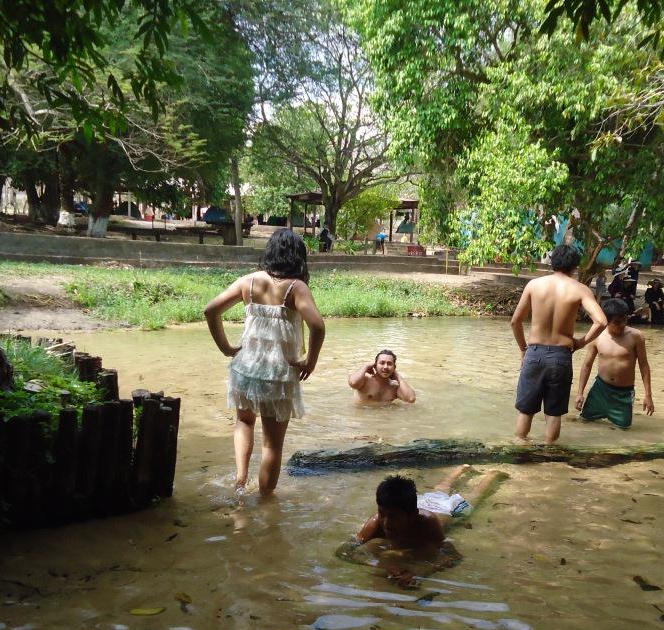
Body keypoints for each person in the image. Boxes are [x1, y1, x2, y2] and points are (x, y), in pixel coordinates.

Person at [204, 228, 326, 495]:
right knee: (272, 445)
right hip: (278, 374)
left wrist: (226, 348)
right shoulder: (296, 287)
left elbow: (211, 310)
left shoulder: (248, 281)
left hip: (245, 368)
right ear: (298, 258)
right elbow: (317, 326)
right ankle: (264, 504)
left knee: (244, 422)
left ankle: (239, 481)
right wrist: (310, 361)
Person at [511, 243, 608, 443]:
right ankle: (549, 457)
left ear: (553, 261)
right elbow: (601, 322)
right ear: (575, 266)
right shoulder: (579, 289)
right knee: (554, 413)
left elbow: (515, 321)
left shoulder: (534, 285)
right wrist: (581, 343)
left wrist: (523, 350)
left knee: (526, 411)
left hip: (534, 354)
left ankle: (519, 453)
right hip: (560, 357)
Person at [346, 466, 507, 586]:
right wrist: (381, 566)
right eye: (382, 513)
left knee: (471, 500)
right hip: (420, 503)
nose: (386, 523)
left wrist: (420, 572)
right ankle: (461, 469)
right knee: (441, 489)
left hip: (445, 509)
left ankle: (492, 475)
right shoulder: (376, 523)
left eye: (393, 518)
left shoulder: (428, 523)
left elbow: (452, 556)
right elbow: (344, 551)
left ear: (412, 516)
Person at [575, 298, 654, 429]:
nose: (622, 324)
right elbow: (587, 365)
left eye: (624, 320)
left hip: (623, 394)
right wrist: (580, 393)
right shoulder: (597, 336)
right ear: (606, 321)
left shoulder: (636, 336)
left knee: (623, 429)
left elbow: (644, 366)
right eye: (617, 322)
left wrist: (648, 395)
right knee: (585, 423)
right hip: (600, 390)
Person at [349, 349, 417, 404]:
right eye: (382, 363)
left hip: (384, 419)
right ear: (375, 366)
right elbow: (353, 383)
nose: (386, 367)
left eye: (389, 364)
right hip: (361, 419)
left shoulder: (395, 387)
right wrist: (365, 366)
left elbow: (411, 399)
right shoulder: (365, 380)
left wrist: (398, 377)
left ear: (394, 367)